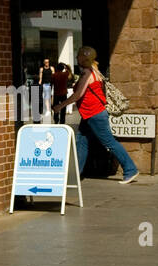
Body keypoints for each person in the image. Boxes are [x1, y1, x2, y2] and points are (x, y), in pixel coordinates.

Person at [52, 46, 139, 184]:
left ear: (83, 58)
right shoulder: (93, 71)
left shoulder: (87, 73)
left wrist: (59, 106)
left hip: (95, 114)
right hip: (89, 114)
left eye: (79, 56)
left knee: (109, 142)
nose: (76, 58)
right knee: (81, 141)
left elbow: (77, 95)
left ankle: (130, 169)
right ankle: (75, 174)